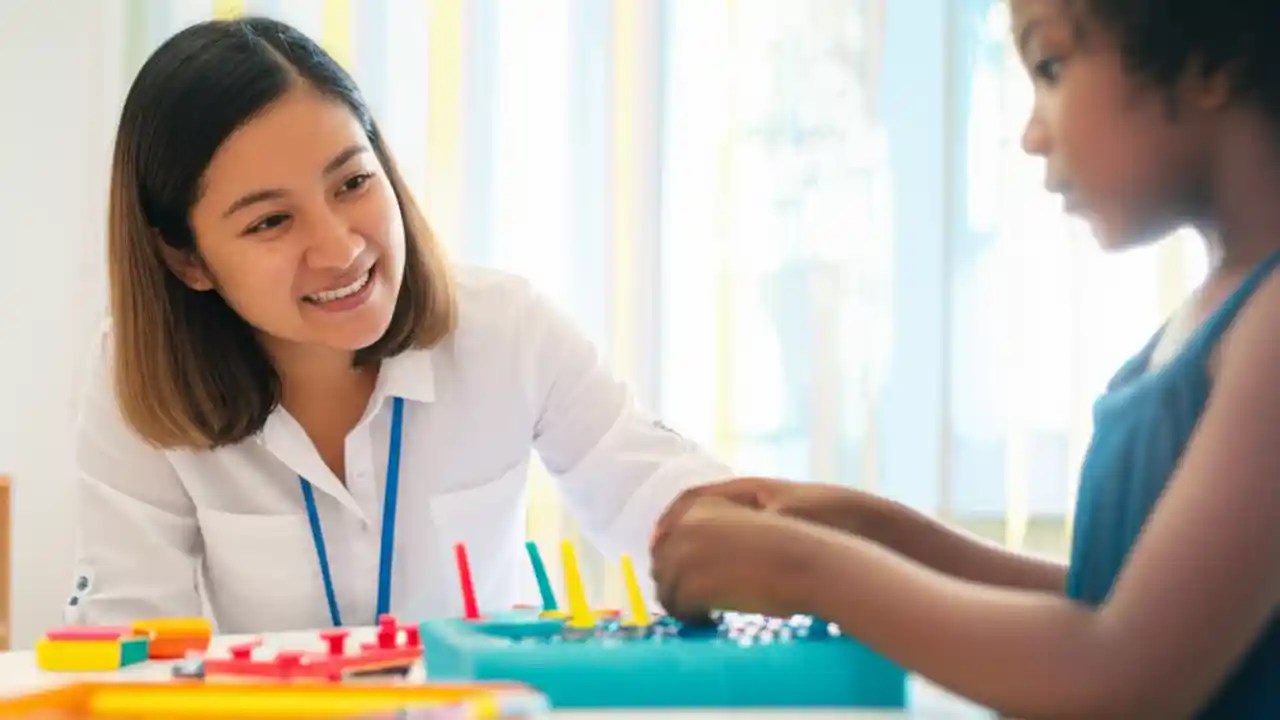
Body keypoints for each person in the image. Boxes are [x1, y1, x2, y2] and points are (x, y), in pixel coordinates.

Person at [651, 0, 1280, 717]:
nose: (1032, 134)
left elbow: (1124, 671)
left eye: (1050, 66)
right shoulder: (1217, 318)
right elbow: (1108, 604)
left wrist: (799, 570)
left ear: (1207, 62)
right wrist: (882, 536)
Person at [68, 16, 731, 634]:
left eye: (352, 183)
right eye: (271, 221)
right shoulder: (139, 377)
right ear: (186, 259)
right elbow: (128, 631)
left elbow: (661, 497)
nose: (340, 249)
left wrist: (806, 553)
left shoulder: (508, 331)